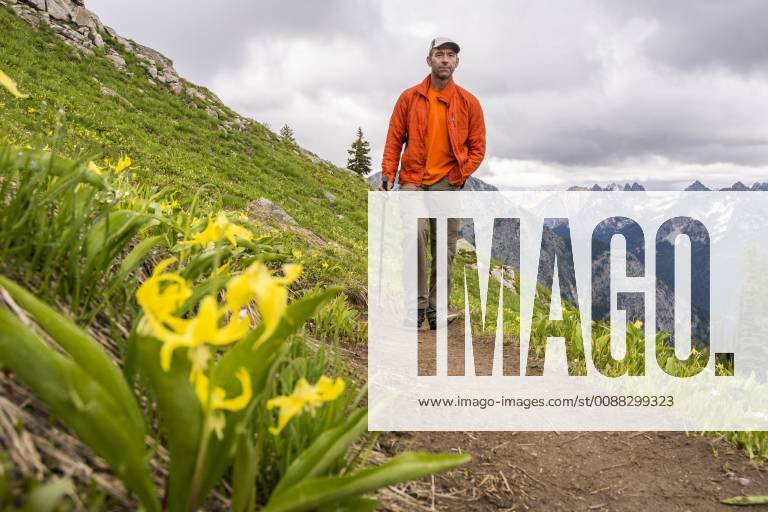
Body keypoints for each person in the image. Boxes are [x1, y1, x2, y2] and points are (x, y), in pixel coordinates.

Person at [379, 37, 486, 329]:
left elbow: (478, 147)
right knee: (414, 235)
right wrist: (388, 172)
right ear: (429, 60)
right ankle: (416, 306)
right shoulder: (409, 98)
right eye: (439, 54)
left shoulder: (468, 102)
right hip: (413, 180)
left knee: (445, 246)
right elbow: (394, 138)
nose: (445, 60)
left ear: (457, 63)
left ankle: (437, 310)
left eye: (450, 55)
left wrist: (460, 174)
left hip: (447, 182)